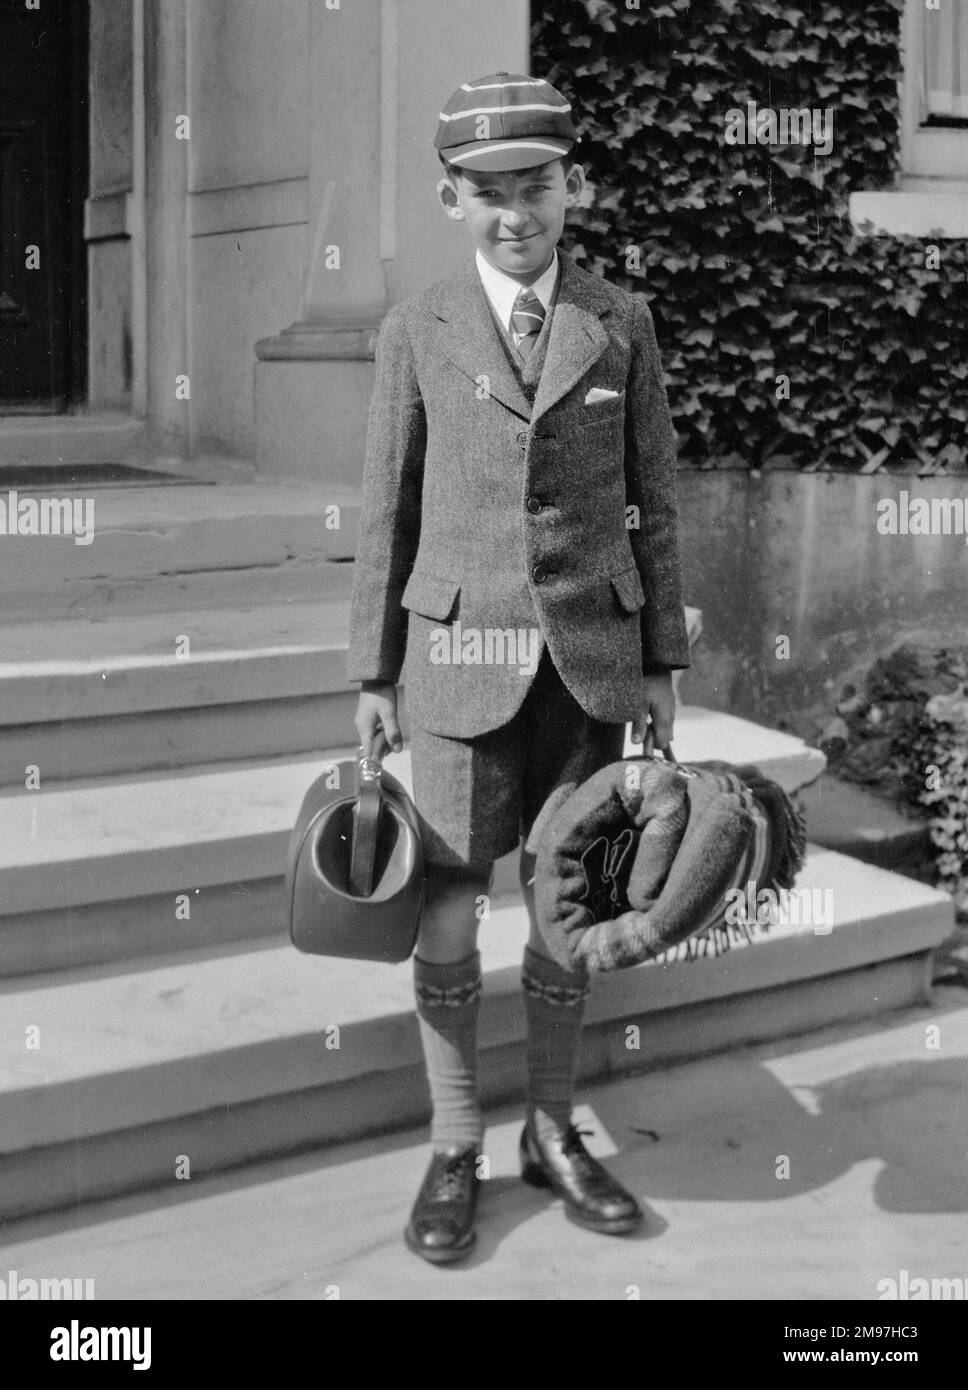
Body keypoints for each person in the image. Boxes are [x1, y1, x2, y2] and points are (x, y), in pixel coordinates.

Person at [348, 71, 690, 1264]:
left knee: (566, 899)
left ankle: (551, 1124)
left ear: (569, 186)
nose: (515, 213)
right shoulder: (418, 328)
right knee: (447, 900)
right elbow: (385, 509)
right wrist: (373, 673)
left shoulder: (620, 321)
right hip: (451, 662)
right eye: (488, 192)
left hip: (589, 663)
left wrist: (663, 657)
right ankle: (455, 1140)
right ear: (452, 197)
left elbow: (654, 496)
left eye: (534, 185)